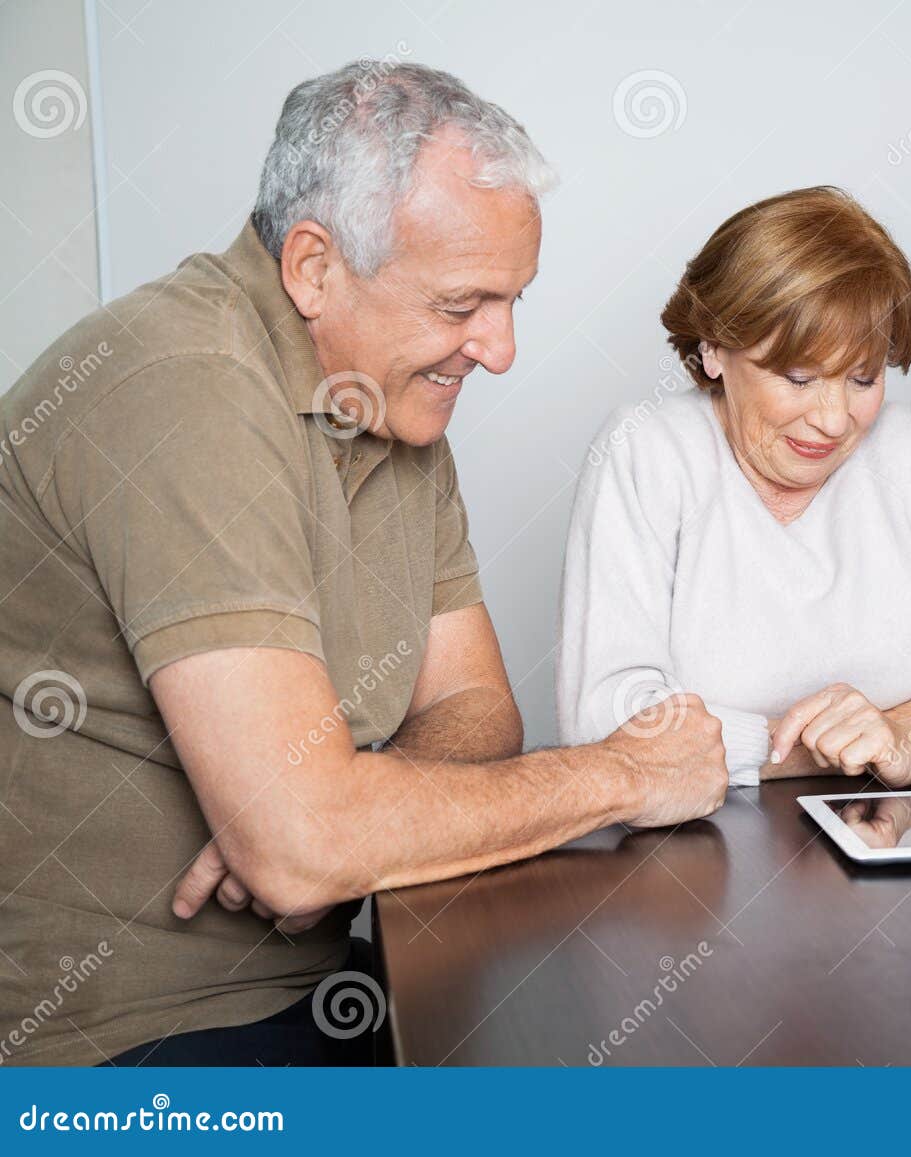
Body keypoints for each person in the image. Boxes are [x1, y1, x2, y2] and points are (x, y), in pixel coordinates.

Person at [0, 61, 726, 1067]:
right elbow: (303, 851)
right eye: (462, 302)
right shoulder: (182, 386)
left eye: (512, 300)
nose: (501, 348)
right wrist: (623, 774)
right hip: (110, 1048)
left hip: (331, 978)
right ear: (312, 267)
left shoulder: (390, 401)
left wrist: (337, 814)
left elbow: (478, 711)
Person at [558, 186, 911, 790]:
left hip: (900, 851)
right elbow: (605, 723)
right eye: (800, 377)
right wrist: (832, 746)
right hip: (699, 856)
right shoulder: (646, 450)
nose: (834, 420)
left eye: (862, 379)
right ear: (713, 348)